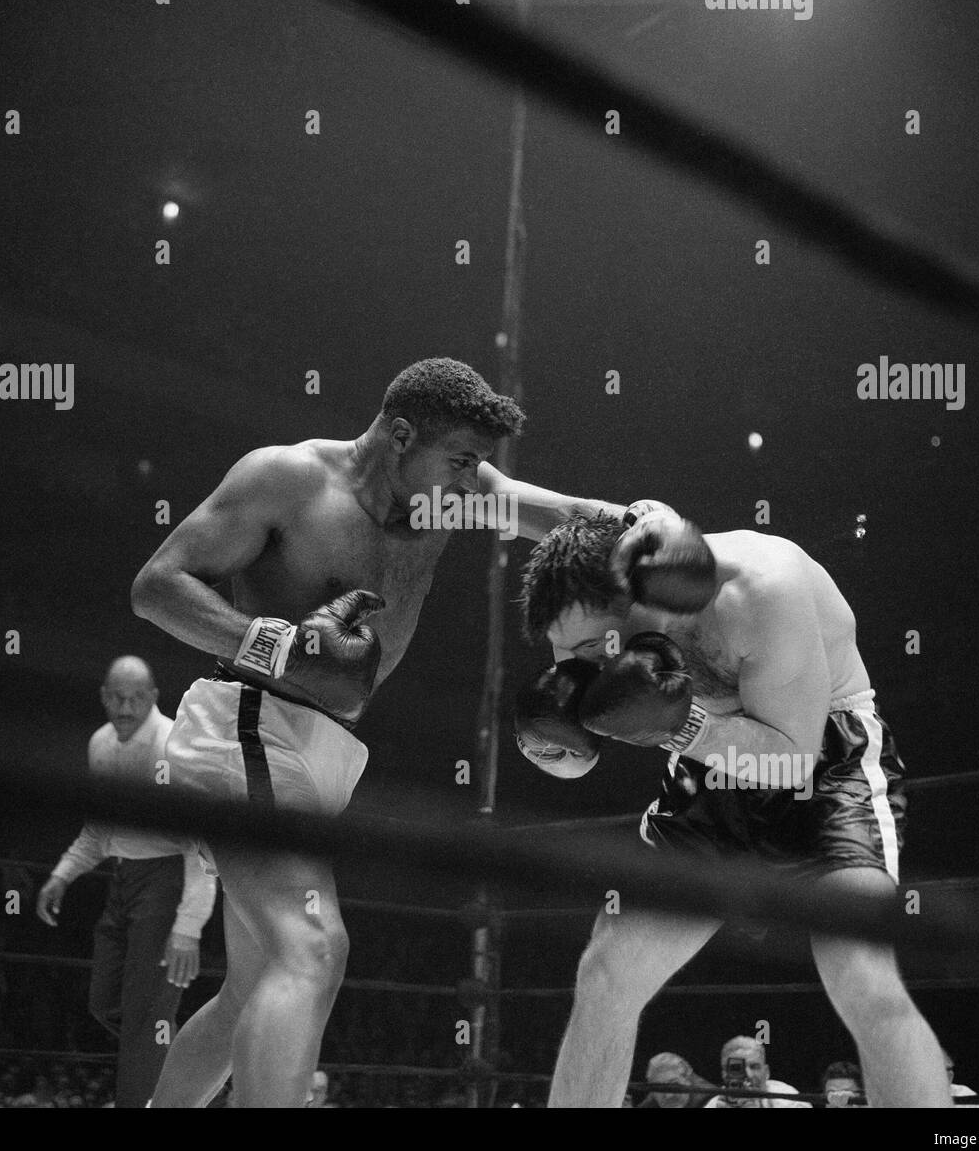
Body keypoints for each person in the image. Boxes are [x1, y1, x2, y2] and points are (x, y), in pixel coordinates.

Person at [131, 358, 644, 1108]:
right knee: (313, 947)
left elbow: (574, 516)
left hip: (319, 753)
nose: (474, 481)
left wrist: (661, 535)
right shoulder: (288, 481)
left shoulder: (454, 497)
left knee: (254, 988)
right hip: (248, 725)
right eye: (461, 460)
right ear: (400, 434)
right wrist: (279, 647)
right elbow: (157, 586)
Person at [515, 510, 953, 1107]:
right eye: (569, 659)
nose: (589, 673)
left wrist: (679, 724)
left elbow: (791, 761)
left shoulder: (762, 590)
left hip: (821, 764)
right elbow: (505, 492)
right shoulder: (611, 546)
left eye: (595, 649)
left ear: (639, 595)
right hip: (708, 777)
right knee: (606, 976)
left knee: (864, 983)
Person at [36, 657, 217, 1107]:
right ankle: (207, 1089)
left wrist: (188, 927)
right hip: (122, 880)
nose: (125, 706)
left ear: (153, 697)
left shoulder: (173, 746)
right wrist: (62, 873)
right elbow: (99, 830)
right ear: (103, 696)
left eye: (136, 697)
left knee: (143, 1020)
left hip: (168, 879)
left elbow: (202, 844)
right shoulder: (100, 744)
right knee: (107, 1004)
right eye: (117, 696)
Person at [702, 1036, 810, 1108]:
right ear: (724, 1074)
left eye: (754, 1067)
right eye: (737, 1068)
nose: (748, 1075)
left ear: (766, 1072)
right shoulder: (715, 1104)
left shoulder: (790, 1101)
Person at [634, 1050, 713, 1108]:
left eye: (674, 1085)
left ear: (687, 1079)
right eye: (660, 1089)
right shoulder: (654, 1094)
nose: (669, 1095)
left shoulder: (712, 1100)